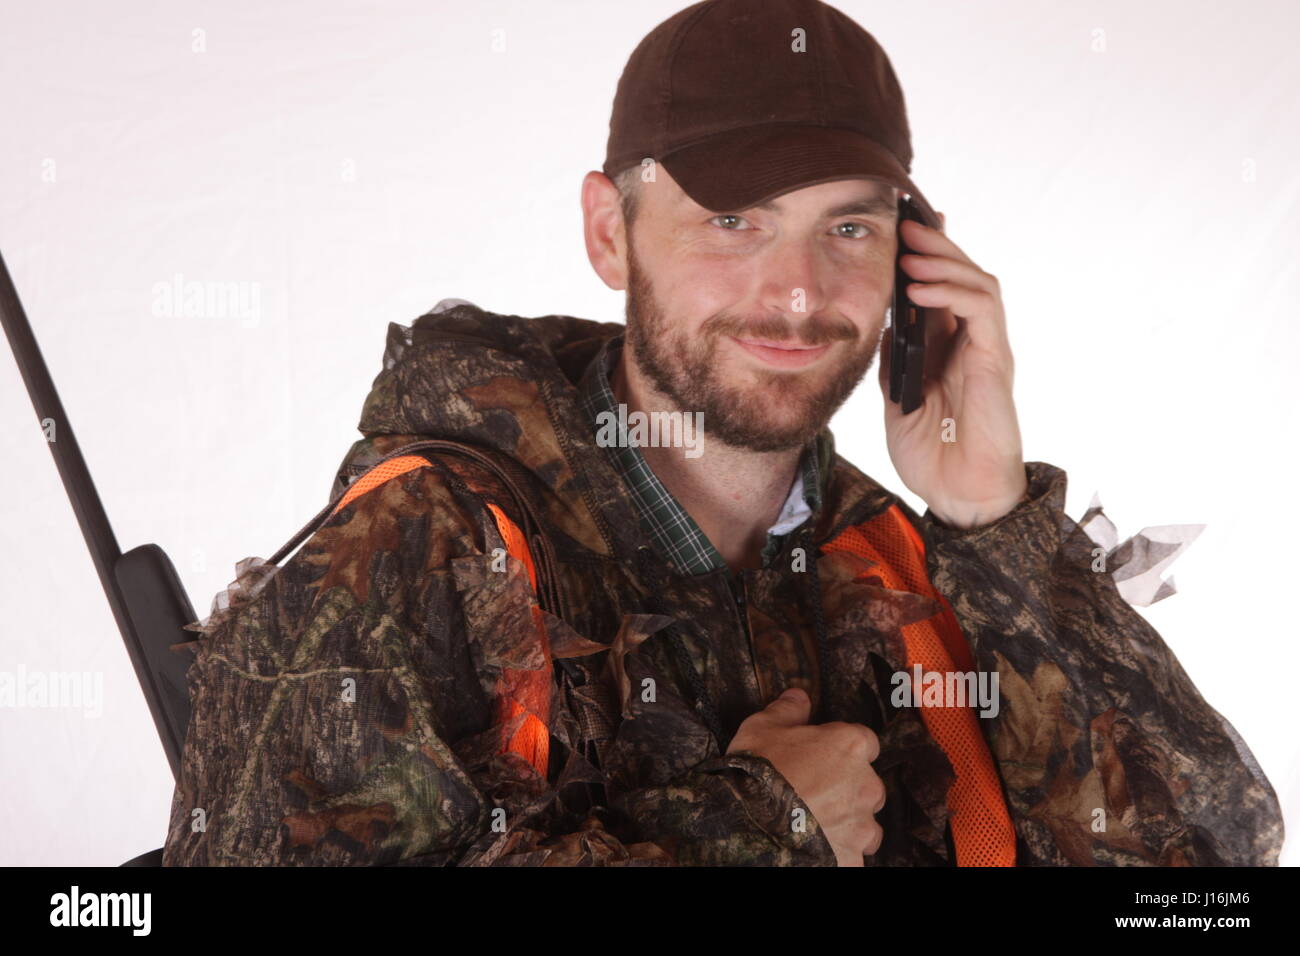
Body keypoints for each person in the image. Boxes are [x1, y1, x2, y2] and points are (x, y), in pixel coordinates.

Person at [162, 0, 1283, 866]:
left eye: (847, 224)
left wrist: (996, 521)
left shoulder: (901, 570)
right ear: (610, 232)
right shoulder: (408, 557)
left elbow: (1201, 876)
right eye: (733, 221)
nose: (796, 293)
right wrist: (756, 826)